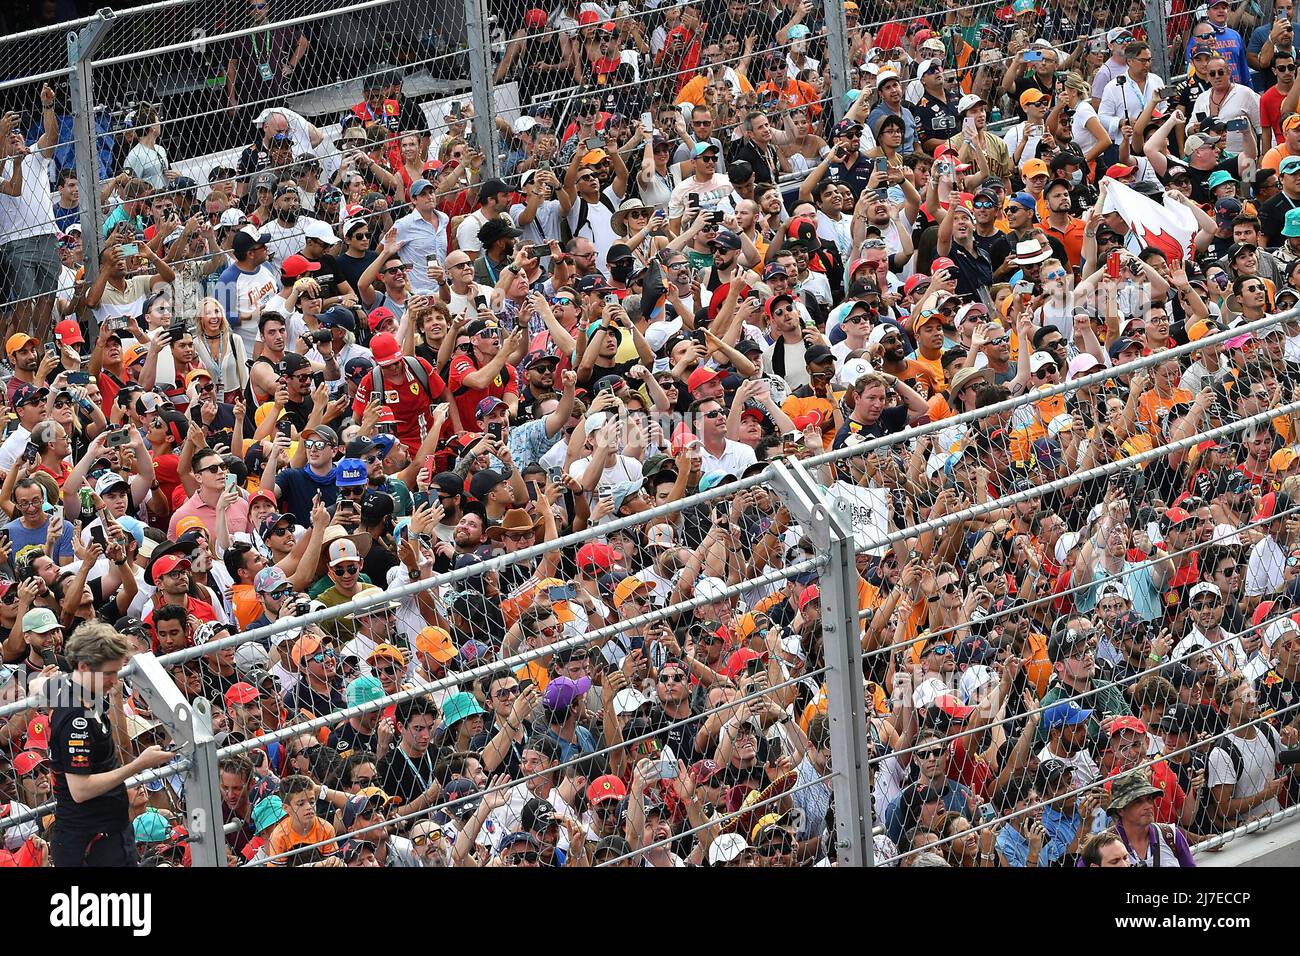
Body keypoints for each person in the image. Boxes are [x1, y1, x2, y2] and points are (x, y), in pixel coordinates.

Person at [45, 623, 174, 866]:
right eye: (108, 673)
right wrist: (139, 765)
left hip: (110, 834)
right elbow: (80, 790)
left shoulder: (87, 698)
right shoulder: (75, 718)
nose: (115, 680)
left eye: (117, 672)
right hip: (90, 844)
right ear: (83, 667)